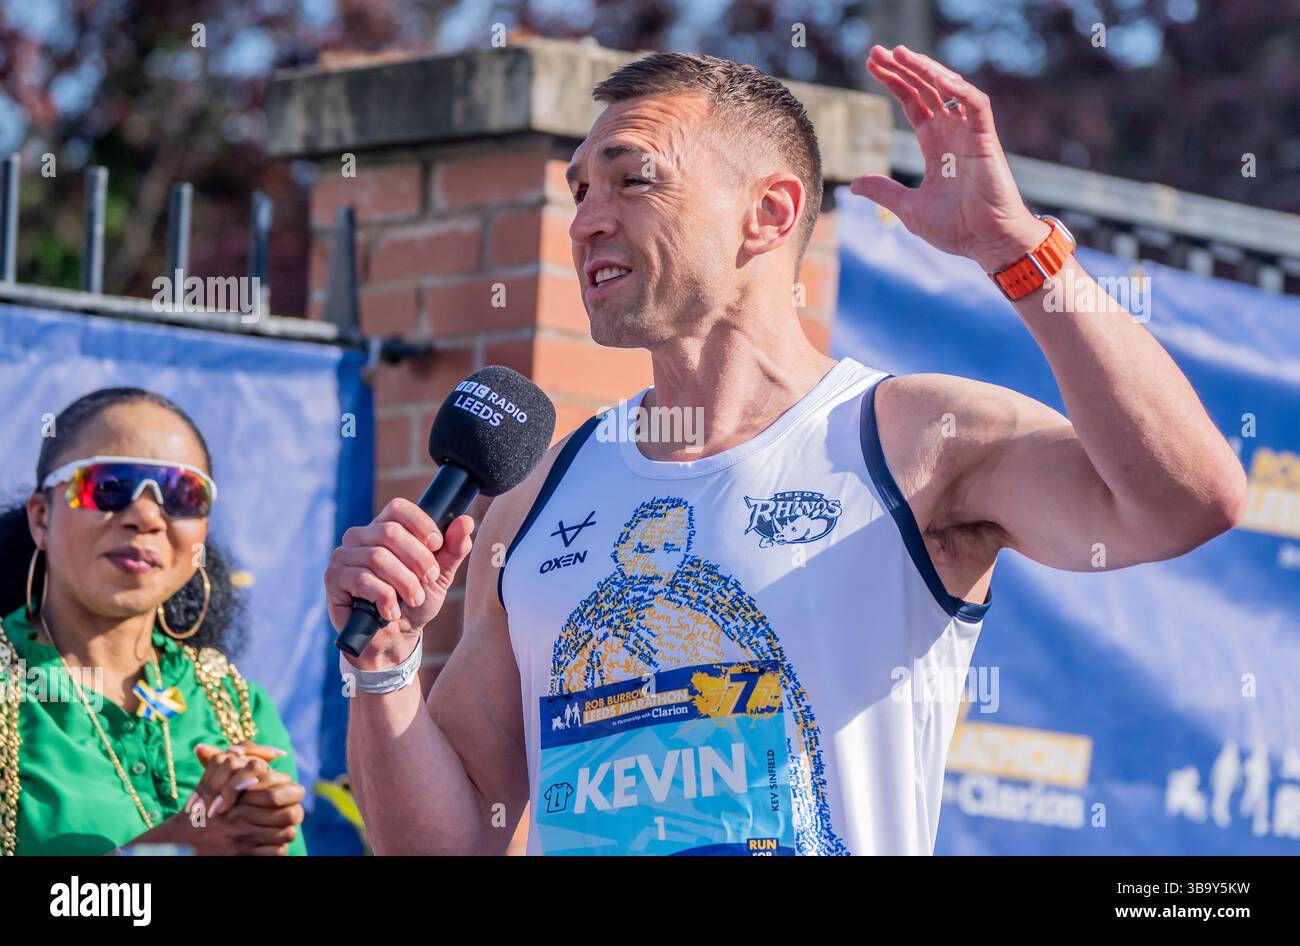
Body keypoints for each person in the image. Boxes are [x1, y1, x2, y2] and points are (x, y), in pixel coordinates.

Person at [326, 46, 1247, 855]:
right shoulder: (537, 501)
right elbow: (447, 844)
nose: (585, 221)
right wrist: (387, 667)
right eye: (578, 191)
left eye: (630, 179)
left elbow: (1188, 499)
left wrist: (1024, 255)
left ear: (768, 214)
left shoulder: (917, 438)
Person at [0, 388, 307, 855]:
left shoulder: (236, 704)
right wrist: (174, 846)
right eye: (108, 486)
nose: (145, 517)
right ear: (41, 519)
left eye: (183, 494)